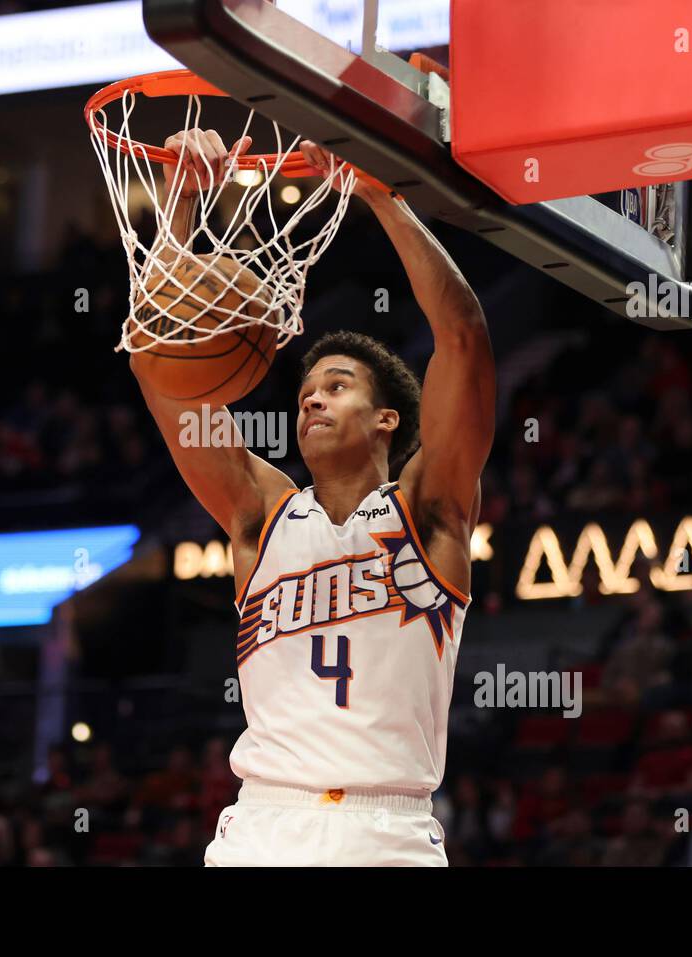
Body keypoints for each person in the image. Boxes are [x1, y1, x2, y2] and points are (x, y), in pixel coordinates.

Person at [132, 131, 494, 866]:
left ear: (389, 416)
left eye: (337, 385)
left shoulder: (429, 509)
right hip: (265, 821)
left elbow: (461, 335)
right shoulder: (260, 513)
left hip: (385, 826)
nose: (313, 402)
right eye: (305, 393)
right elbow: (157, 366)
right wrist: (182, 207)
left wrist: (380, 195)